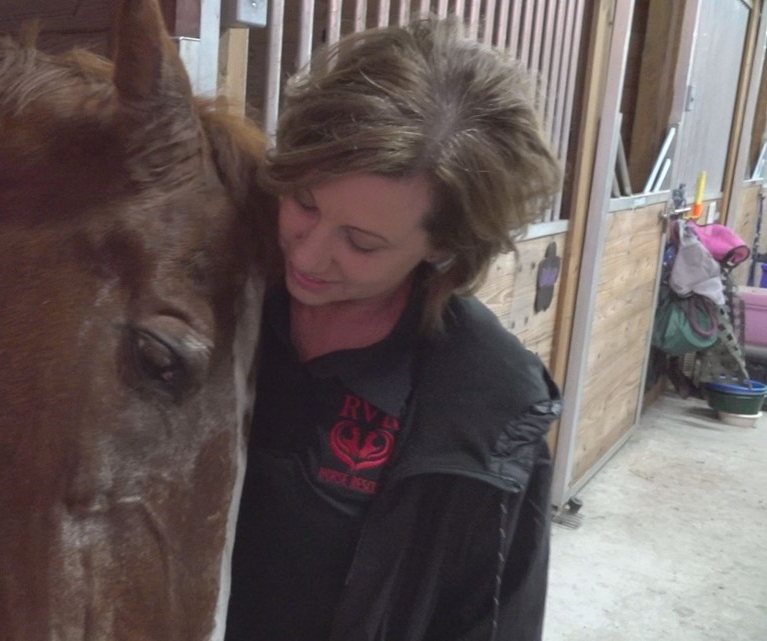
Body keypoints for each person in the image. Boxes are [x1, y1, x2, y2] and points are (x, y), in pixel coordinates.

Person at [225, 17, 563, 641]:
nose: (305, 256)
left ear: (443, 249)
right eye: (303, 202)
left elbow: (491, 625)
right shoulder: (217, 295)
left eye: (361, 243)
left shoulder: (491, 411)